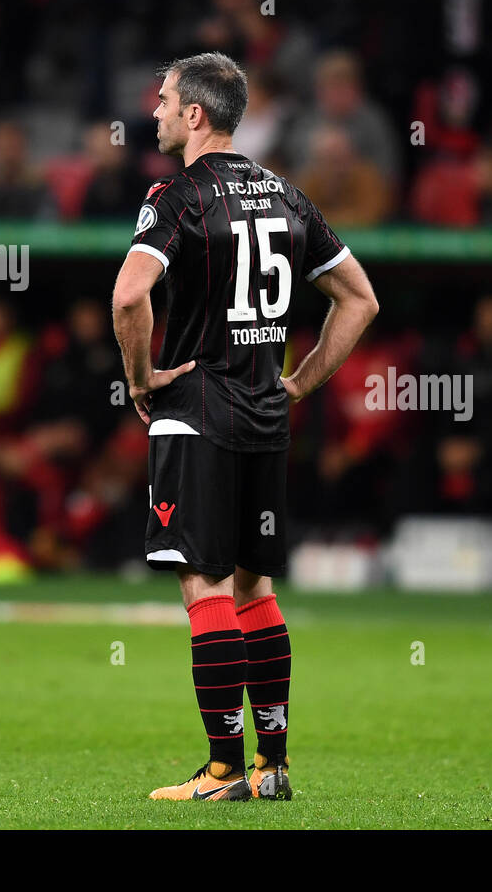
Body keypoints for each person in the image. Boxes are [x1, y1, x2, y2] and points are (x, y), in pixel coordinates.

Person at [111, 52, 379, 801]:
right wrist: (298, 382)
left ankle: (224, 768)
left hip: (198, 413)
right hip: (267, 415)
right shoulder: (289, 196)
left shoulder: (177, 196)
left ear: (196, 114)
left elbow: (131, 296)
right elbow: (360, 301)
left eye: (163, 100)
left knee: (206, 588)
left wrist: (139, 380)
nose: (155, 111)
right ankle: (274, 764)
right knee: (256, 590)